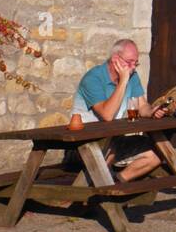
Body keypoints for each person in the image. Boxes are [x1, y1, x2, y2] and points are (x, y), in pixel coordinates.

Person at [72, 39, 169, 182]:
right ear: (115, 59)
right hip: (86, 144)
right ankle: (92, 193)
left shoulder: (132, 76)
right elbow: (107, 115)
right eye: (129, 62)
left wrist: (152, 111)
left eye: (135, 63)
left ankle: (117, 182)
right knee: (109, 152)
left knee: (158, 152)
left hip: (115, 140)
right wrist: (123, 81)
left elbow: (142, 106)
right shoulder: (93, 79)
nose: (133, 68)